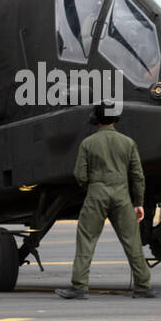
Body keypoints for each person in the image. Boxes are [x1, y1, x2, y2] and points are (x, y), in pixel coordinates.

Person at [55, 100, 154, 299]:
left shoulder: (88, 143)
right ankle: (143, 286)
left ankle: (79, 287)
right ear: (115, 119)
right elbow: (138, 176)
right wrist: (139, 203)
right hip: (122, 195)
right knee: (132, 240)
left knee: (87, 239)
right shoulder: (128, 142)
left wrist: (93, 187)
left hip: (96, 193)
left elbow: (80, 175)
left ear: (96, 118)